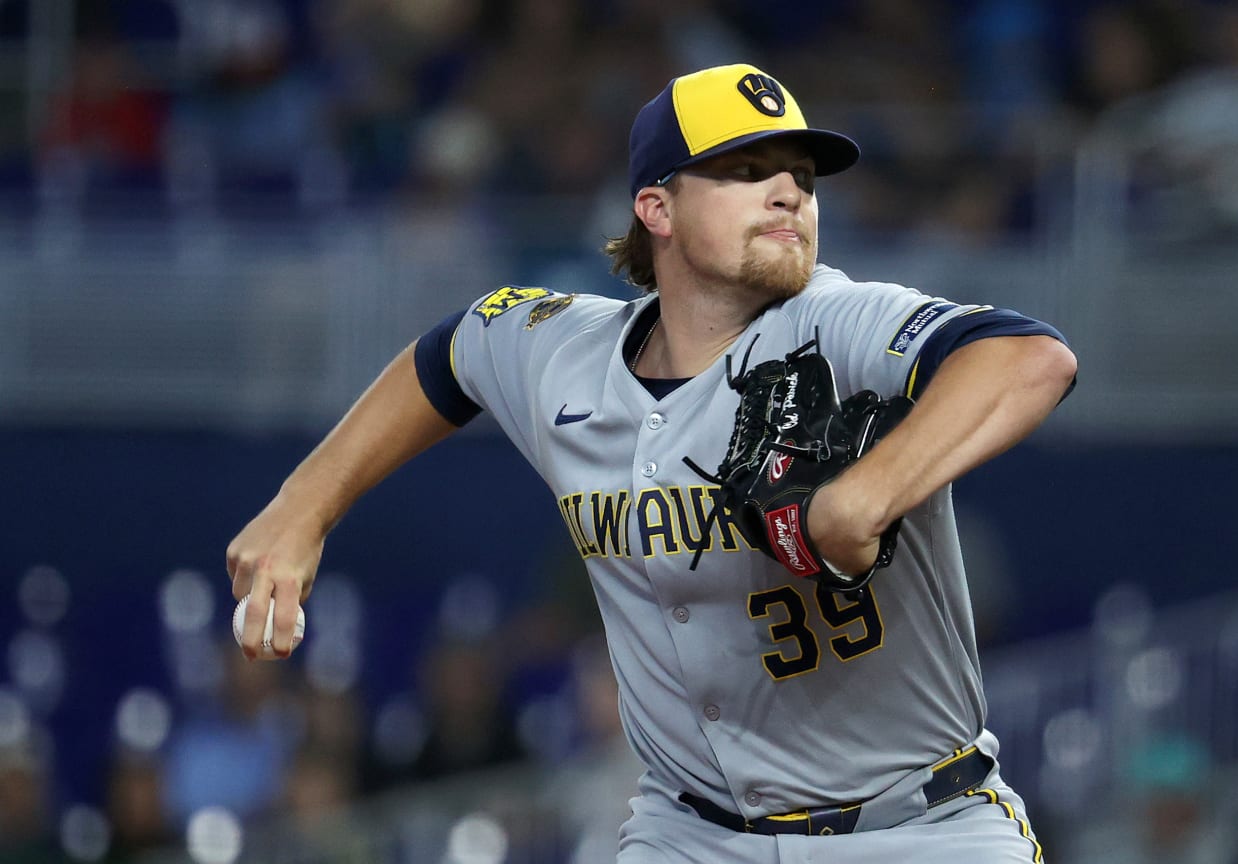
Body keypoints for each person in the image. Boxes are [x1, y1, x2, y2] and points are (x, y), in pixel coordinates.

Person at [227, 62, 1077, 862]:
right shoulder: (563, 355)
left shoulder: (840, 325)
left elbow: (1029, 358)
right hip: (692, 829)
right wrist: (305, 506)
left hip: (919, 826)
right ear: (657, 209)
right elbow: (453, 351)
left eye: (803, 176)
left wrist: (860, 496)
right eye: (748, 170)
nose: (789, 192)